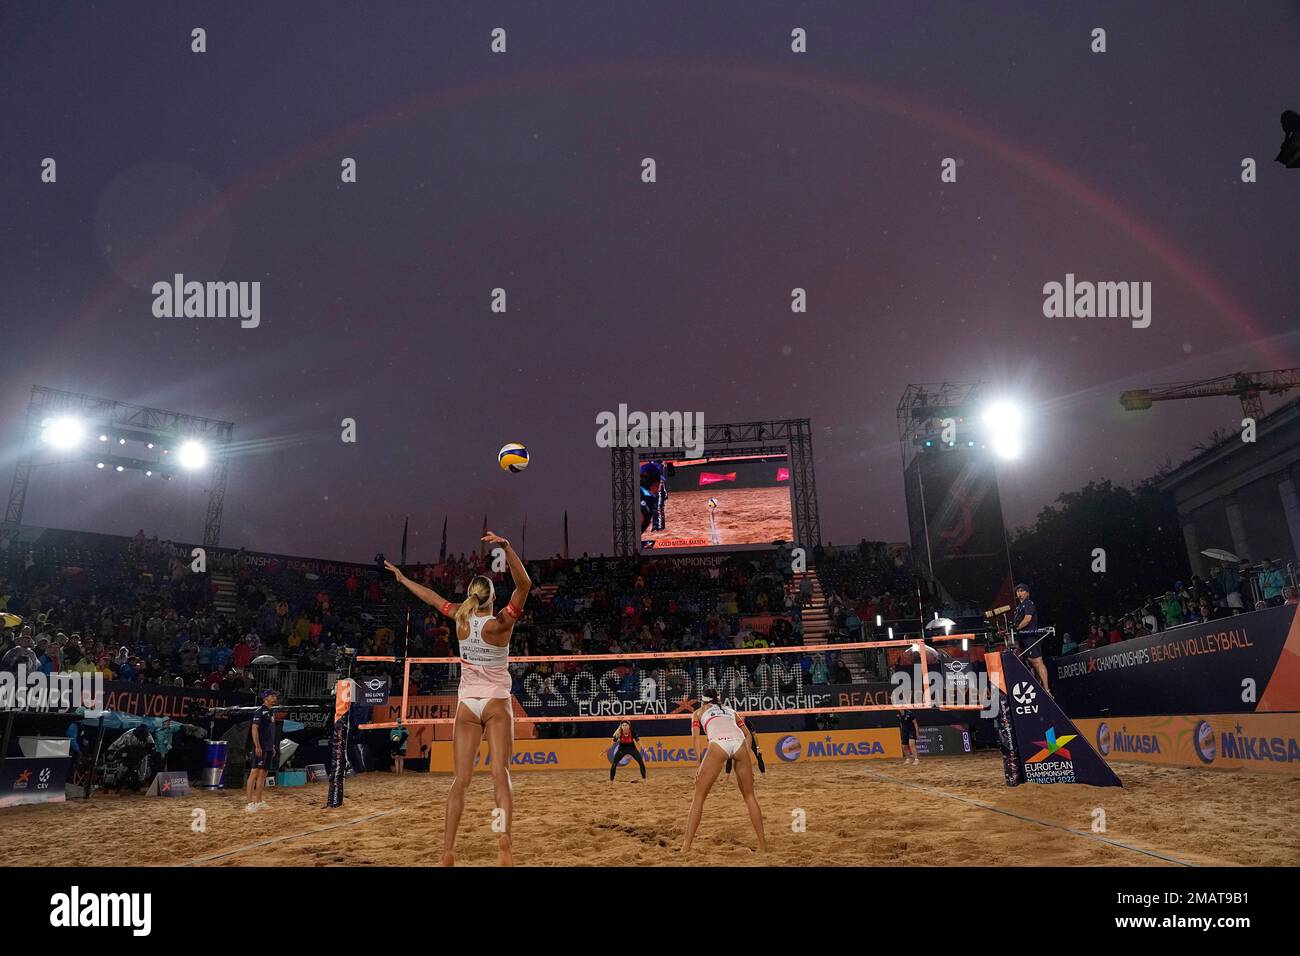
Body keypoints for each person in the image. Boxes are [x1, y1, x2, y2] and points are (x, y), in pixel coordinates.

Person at [385, 530, 530, 867]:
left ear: (470, 597)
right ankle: (502, 838)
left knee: (460, 781)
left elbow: (431, 597)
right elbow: (524, 586)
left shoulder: (460, 619)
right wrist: (507, 548)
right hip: (495, 703)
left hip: (466, 706)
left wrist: (403, 578)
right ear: (492, 598)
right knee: (500, 774)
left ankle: (448, 850)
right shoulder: (500, 624)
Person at [682, 688, 767, 853]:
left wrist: (700, 764)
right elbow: (748, 735)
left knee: (698, 797)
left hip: (718, 744)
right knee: (750, 796)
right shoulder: (730, 710)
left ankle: (685, 847)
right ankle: (763, 846)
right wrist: (747, 756)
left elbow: (695, 739)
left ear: (703, 700)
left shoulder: (698, 712)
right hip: (739, 744)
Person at [245, 689, 278, 812]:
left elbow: (270, 731)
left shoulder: (271, 711)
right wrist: (257, 746)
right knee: (254, 773)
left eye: (275, 696)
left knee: (263, 774)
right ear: (265, 698)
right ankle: (249, 803)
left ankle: (258, 801)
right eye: (272, 696)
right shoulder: (260, 712)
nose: (274, 698)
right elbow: (254, 729)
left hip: (269, 748)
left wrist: (273, 746)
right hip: (261, 748)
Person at [1013, 583, 1050, 691]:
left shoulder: (1028, 603)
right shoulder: (1018, 607)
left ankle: (1047, 689)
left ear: (1027, 593)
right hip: (1023, 638)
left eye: (1022, 590)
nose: (1019, 593)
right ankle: (1038, 689)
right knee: (1031, 664)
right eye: (1018, 591)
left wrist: (1017, 628)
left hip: (1031, 637)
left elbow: (1027, 619)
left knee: (1037, 662)